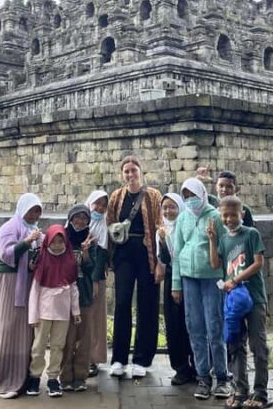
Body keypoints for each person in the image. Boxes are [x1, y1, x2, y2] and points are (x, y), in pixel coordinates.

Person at [0, 193, 43, 398]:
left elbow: (33, 254)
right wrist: (26, 242)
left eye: (37, 212)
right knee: (7, 326)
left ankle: (20, 378)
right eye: (31, 211)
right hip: (8, 283)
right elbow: (6, 254)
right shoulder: (10, 228)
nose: (34, 215)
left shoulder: (33, 230)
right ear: (23, 209)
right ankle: (2, 380)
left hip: (25, 283)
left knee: (23, 329)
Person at [171, 177, 230, 400]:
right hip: (188, 279)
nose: (189, 200)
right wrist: (176, 285)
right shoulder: (183, 217)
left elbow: (225, 250)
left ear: (202, 195)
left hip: (211, 279)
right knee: (194, 327)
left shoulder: (214, 216)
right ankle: (203, 376)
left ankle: (222, 377)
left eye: (193, 196)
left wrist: (226, 282)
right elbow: (177, 253)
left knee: (214, 326)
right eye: (185, 196)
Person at [209, 196, 270, 409]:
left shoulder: (251, 234)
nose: (229, 219)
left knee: (258, 345)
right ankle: (240, 390)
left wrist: (235, 279)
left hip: (253, 298)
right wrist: (212, 240)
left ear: (241, 215)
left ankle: (260, 392)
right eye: (224, 216)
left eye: (233, 215)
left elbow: (258, 263)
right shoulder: (225, 239)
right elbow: (216, 264)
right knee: (235, 344)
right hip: (234, 300)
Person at [106, 155, 163, 378]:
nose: (130, 175)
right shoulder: (116, 196)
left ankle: (142, 358)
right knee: (121, 304)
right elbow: (109, 224)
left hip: (147, 252)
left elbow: (159, 226)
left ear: (141, 171)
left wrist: (160, 262)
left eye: (133, 170)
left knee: (147, 305)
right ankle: (119, 358)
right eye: (126, 171)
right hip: (124, 254)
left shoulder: (153, 195)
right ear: (122, 174)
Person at [26, 225, 81, 398]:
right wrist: (33, 315)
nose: (57, 245)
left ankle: (52, 379)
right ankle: (35, 377)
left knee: (58, 346)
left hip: (62, 314)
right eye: (53, 242)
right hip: (43, 313)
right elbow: (34, 291)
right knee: (38, 346)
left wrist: (76, 311)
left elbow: (73, 288)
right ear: (47, 242)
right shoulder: (42, 261)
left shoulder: (70, 261)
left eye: (60, 241)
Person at [155, 192, 195, 386]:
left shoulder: (187, 225)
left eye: (172, 207)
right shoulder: (161, 230)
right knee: (173, 323)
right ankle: (180, 368)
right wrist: (163, 241)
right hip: (172, 276)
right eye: (165, 208)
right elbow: (164, 258)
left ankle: (198, 366)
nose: (169, 211)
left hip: (190, 276)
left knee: (193, 322)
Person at [61, 204, 97, 392]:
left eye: (85, 218)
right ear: (71, 217)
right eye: (77, 217)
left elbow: (92, 270)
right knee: (67, 337)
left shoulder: (91, 241)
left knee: (84, 338)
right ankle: (65, 376)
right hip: (64, 296)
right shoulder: (62, 237)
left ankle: (80, 376)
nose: (80, 221)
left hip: (84, 294)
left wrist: (85, 253)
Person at [85, 190, 110, 376]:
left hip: (95, 278)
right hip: (77, 277)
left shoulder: (102, 226)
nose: (99, 208)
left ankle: (93, 358)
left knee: (95, 317)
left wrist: (94, 280)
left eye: (103, 205)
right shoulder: (78, 219)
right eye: (97, 204)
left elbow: (102, 255)